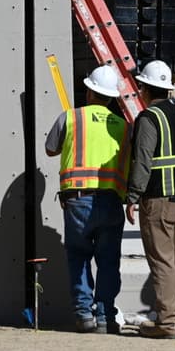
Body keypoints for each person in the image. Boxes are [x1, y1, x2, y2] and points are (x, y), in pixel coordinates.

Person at [44, 63, 129, 333]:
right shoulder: (124, 126)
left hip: (78, 201)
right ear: (111, 96)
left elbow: (49, 149)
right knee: (108, 259)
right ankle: (105, 316)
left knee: (79, 256)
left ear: (90, 92)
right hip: (112, 200)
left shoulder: (70, 118)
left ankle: (84, 315)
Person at [124, 60, 175, 340]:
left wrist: (132, 196)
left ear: (145, 89)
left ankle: (166, 322)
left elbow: (142, 160)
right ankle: (174, 317)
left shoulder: (149, 118)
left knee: (161, 259)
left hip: (158, 197)